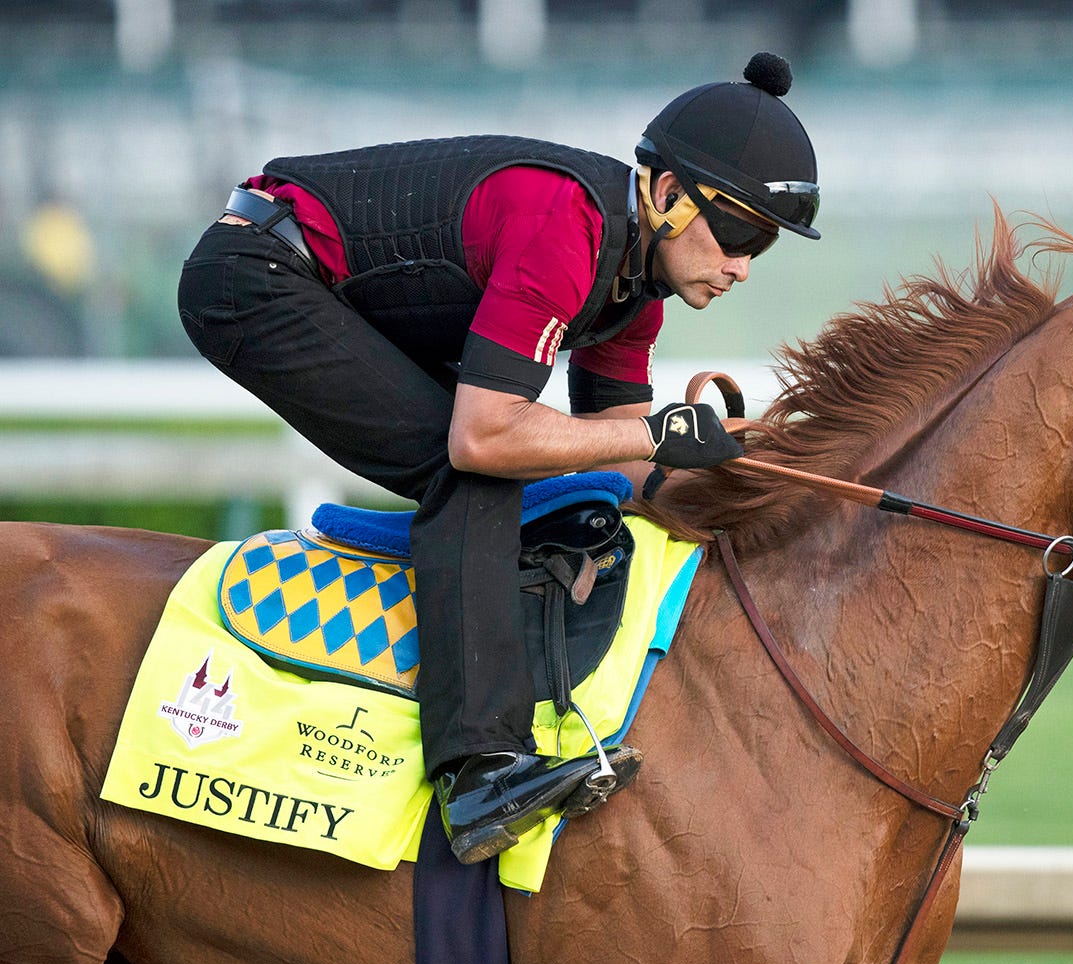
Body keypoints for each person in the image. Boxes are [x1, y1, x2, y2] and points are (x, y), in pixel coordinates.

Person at [177, 52, 820, 865]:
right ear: (665, 195)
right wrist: (659, 433)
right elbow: (485, 435)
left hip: (317, 281)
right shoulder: (569, 226)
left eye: (763, 243)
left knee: (499, 458)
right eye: (737, 231)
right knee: (474, 468)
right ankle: (480, 771)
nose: (742, 265)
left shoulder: (634, 292)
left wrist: (733, 478)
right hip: (252, 275)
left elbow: (619, 460)